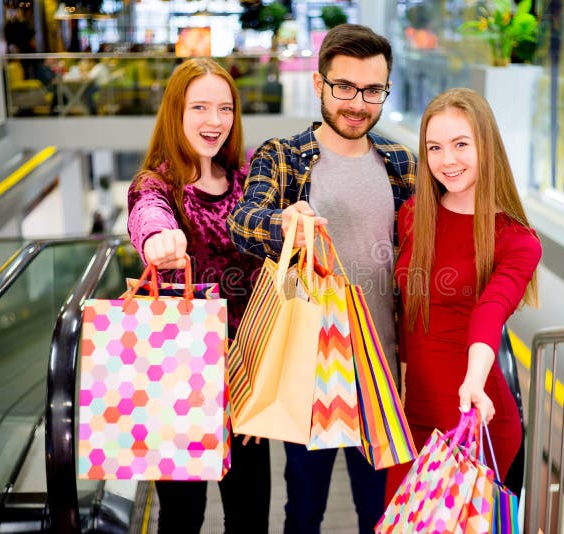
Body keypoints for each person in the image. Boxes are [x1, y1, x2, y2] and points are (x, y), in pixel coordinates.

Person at [227, 23, 417, 534]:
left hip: (384, 374)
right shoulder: (283, 156)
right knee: (304, 509)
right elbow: (242, 221)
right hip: (308, 371)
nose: (358, 103)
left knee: (381, 513)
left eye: (373, 90)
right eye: (344, 88)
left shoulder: (401, 163)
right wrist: (282, 222)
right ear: (319, 85)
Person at [127, 57, 269, 534]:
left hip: (247, 378)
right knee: (182, 516)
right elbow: (147, 214)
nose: (215, 122)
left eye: (225, 108)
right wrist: (157, 239)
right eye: (200, 108)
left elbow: (272, 228)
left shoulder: (249, 178)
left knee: (250, 513)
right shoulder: (159, 184)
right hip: (180, 380)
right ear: (176, 112)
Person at [387, 87, 541, 500]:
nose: (446, 160)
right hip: (412, 417)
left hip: (473, 419)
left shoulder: (517, 241)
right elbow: (407, 311)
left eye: (460, 144)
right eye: (434, 147)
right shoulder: (414, 215)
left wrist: (473, 381)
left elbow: (489, 312)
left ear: (486, 145)